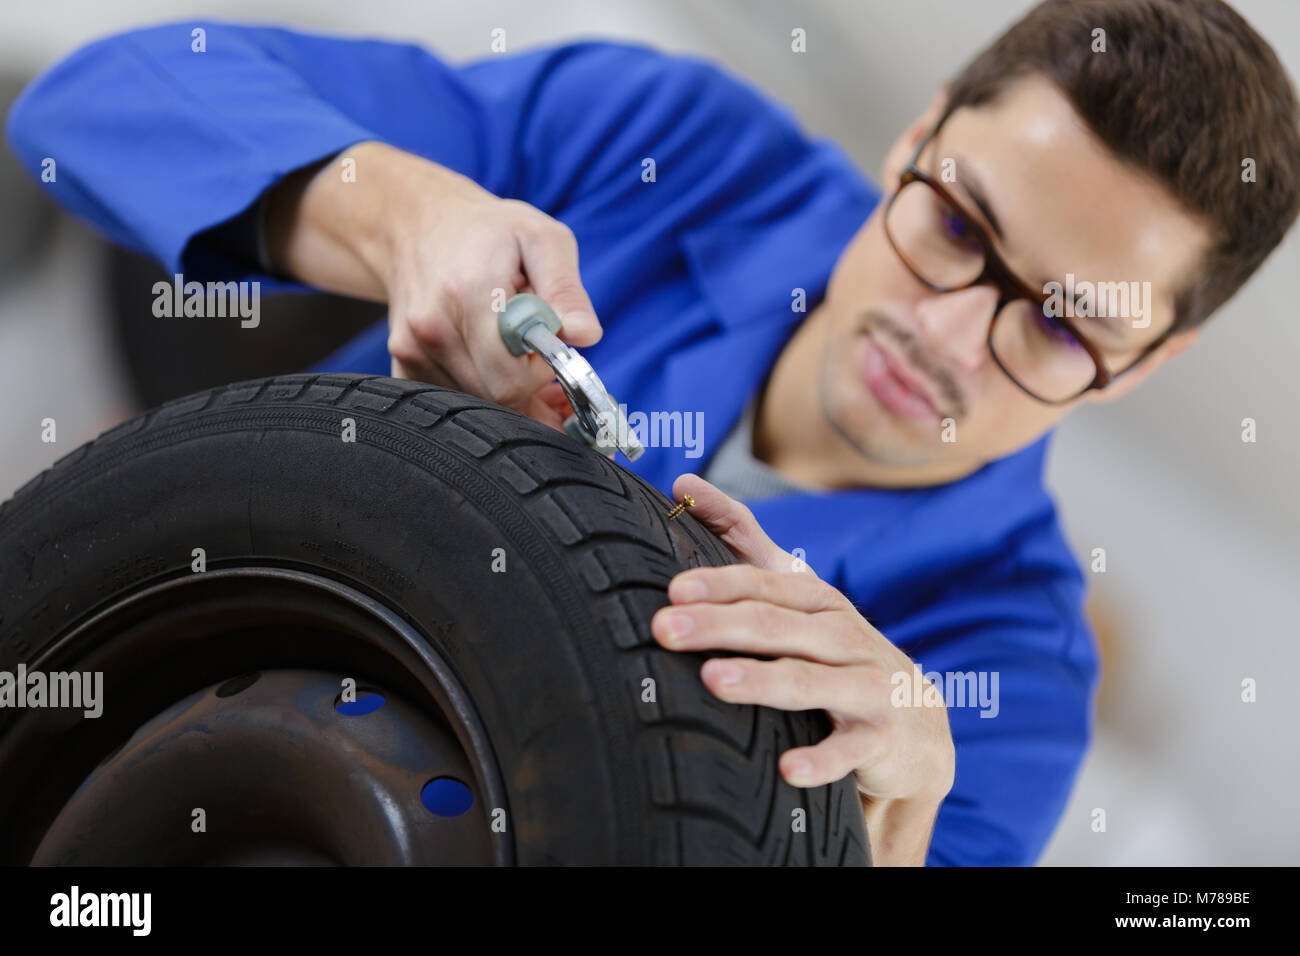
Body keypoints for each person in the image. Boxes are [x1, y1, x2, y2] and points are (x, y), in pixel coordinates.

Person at [8, 0, 1298, 865]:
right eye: (956, 229)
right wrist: (407, 220)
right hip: (106, 720)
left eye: (1064, 328)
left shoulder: (997, 693)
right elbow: (97, 103)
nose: (945, 337)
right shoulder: (667, 144)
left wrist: (882, 846)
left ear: (1145, 368)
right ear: (916, 139)